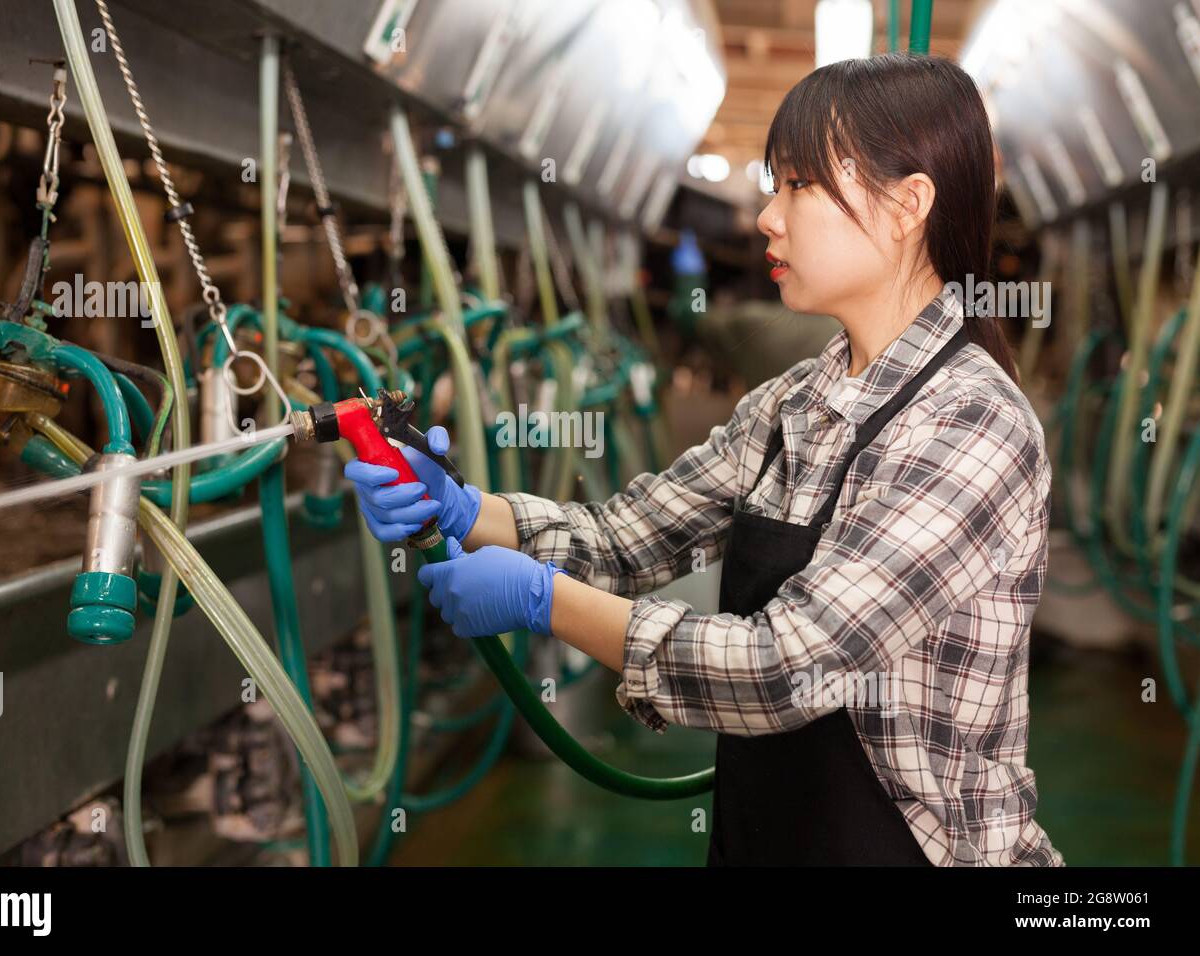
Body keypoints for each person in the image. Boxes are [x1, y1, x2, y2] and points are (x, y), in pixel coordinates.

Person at [345, 53, 1063, 867]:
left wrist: (546, 604)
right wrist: (470, 512)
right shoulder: (792, 403)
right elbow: (625, 537)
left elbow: (786, 666)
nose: (766, 215)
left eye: (799, 186)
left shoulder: (973, 423)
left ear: (908, 205)